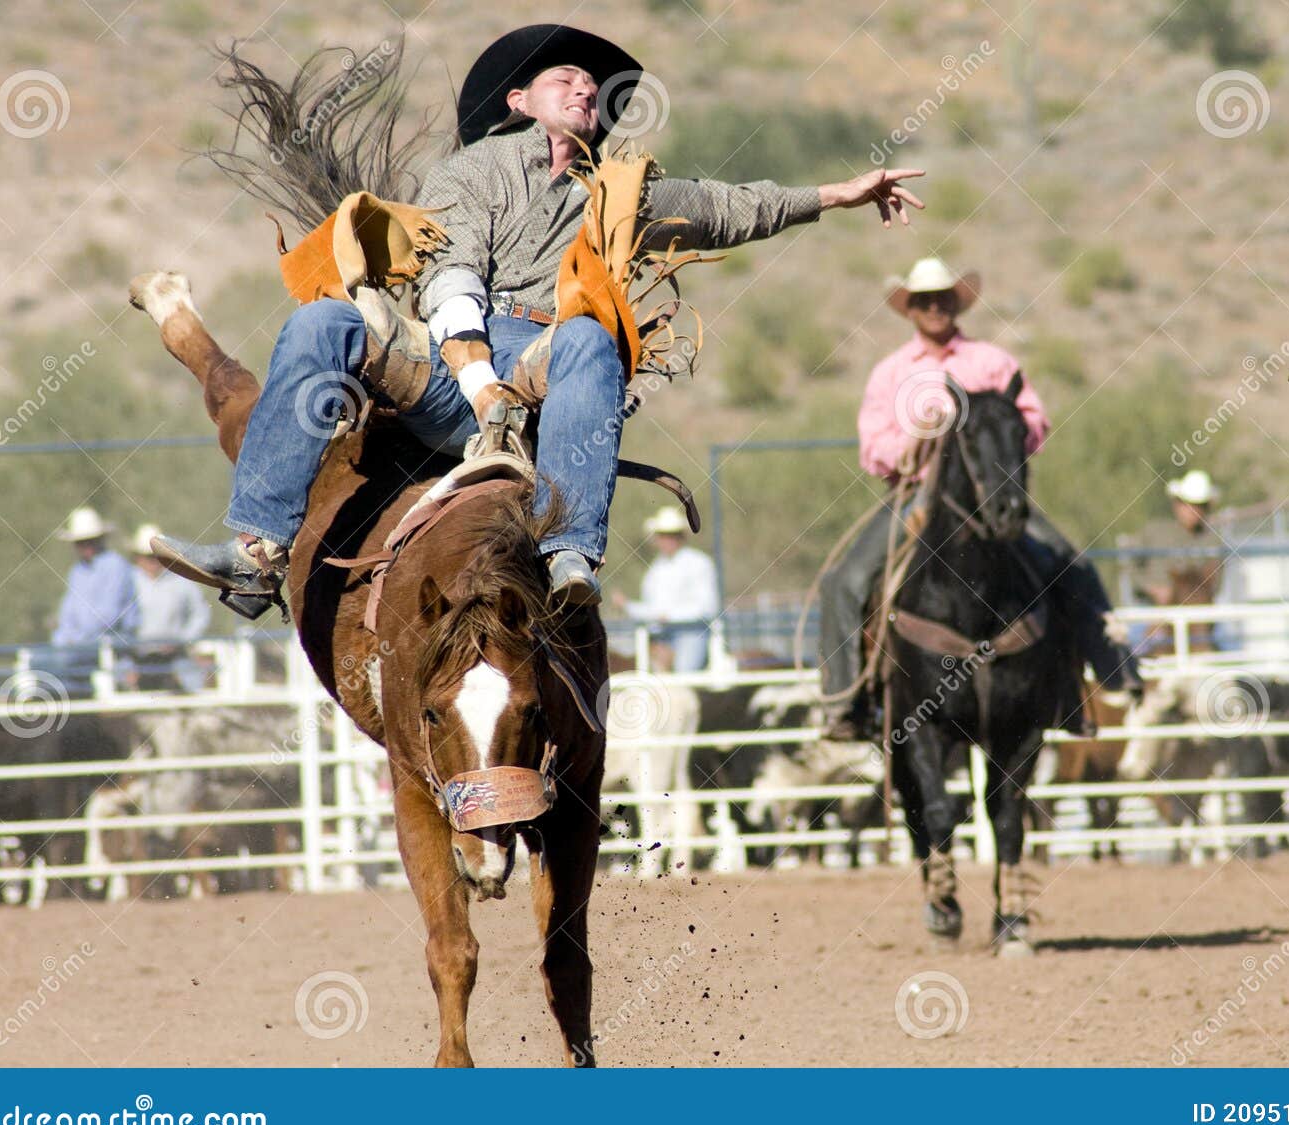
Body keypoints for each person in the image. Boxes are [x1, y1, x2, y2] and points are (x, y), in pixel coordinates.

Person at [154, 23, 924, 614]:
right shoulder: (471, 170)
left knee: (592, 330)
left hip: (550, 363)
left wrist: (834, 196)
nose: (588, 88)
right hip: (449, 362)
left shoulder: (622, 191)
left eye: (595, 86)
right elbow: (452, 267)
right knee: (323, 326)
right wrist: (479, 375)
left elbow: (730, 208)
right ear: (518, 102)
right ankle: (260, 550)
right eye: (567, 77)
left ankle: (570, 556)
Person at [818, 258, 1140, 741]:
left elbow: (1034, 421)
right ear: (910, 309)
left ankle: (1105, 672)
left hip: (994, 492)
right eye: (924, 300)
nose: (935, 308)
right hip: (916, 494)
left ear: (956, 302)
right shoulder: (890, 373)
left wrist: (1003, 442)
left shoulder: (991, 362)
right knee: (842, 582)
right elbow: (873, 448)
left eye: (943, 298)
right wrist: (911, 446)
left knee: (1068, 562)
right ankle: (846, 703)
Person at [1126, 469, 1229, 654]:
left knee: (1226, 649)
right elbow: (1131, 569)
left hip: (1198, 617)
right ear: (1177, 504)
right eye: (1188, 504)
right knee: (1134, 651)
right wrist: (1153, 588)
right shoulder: (1154, 532)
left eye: (1201, 505)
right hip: (1153, 611)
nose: (1194, 511)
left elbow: (1216, 584)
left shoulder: (1212, 540)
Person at [612, 506, 719, 672]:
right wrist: (627, 605)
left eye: (672, 535)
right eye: (663, 535)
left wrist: (668, 616)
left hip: (691, 633)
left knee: (684, 674)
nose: (666, 540)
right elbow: (651, 610)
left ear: (681, 537)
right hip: (659, 635)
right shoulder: (654, 570)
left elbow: (707, 607)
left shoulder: (699, 563)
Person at [128, 524, 212, 690]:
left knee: (195, 686)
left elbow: (200, 612)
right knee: (119, 683)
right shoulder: (127, 581)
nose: (153, 561)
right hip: (136, 656)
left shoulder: (181, 579)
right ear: (137, 557)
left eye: (156, 555)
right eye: (148, 556)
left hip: (176, 654)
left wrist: (183, 639)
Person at [50, 507, 138, 647]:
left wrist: (75, 639)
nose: (87, 546)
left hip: (113, 646)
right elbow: (67, 612)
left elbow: (109, 616)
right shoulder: (77, 571)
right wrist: (63, 639)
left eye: (91, 540)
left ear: (100, 539)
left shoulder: (115, 566)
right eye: (81, 542)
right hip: (82, 646)